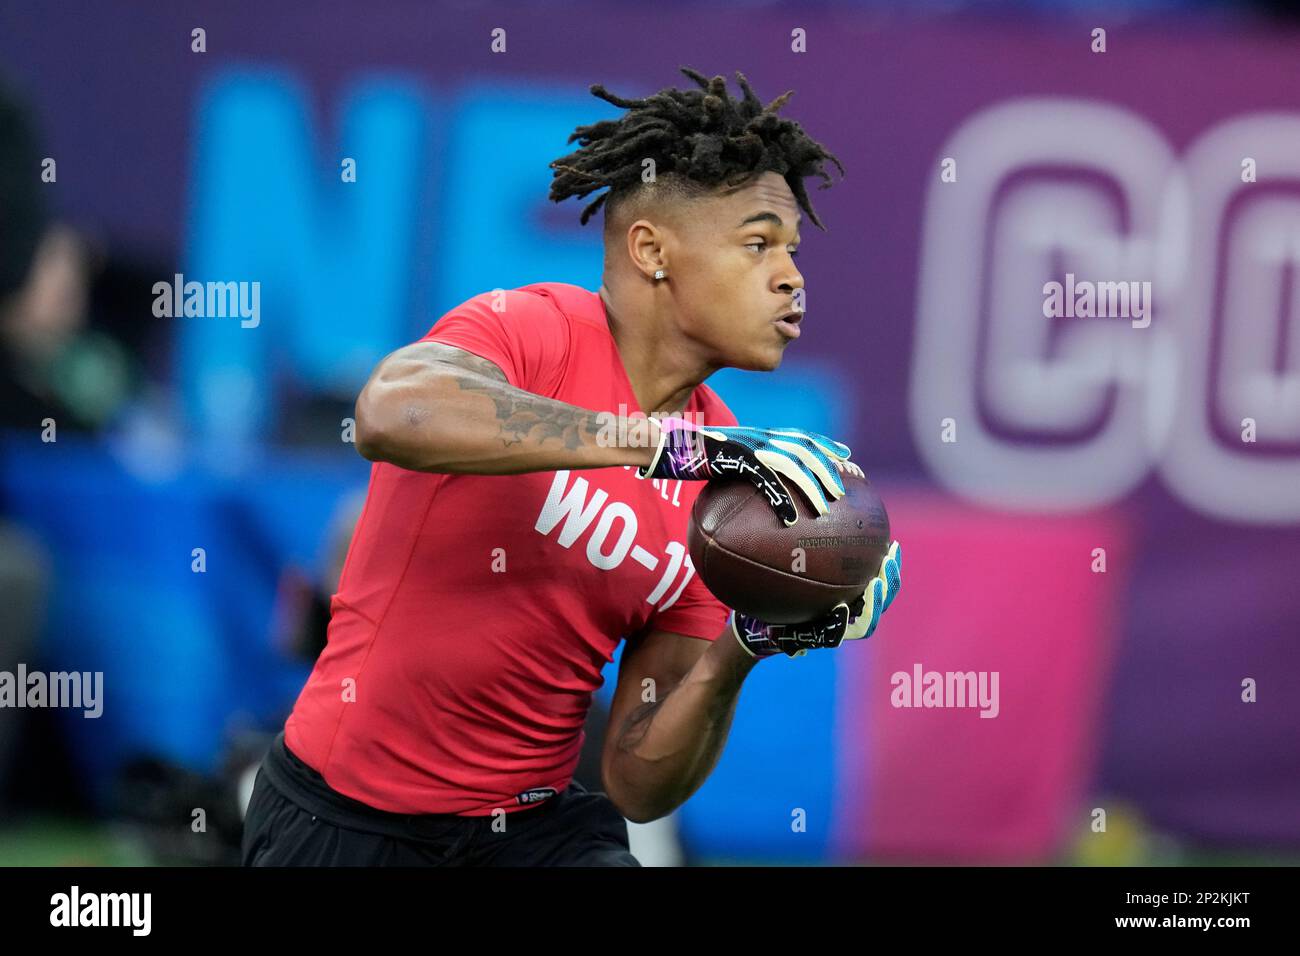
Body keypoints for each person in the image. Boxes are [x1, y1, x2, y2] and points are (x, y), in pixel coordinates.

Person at [242, 67, 902, 867]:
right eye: (758, 244)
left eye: (792, 250)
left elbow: (636, 780)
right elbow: (388, 414)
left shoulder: (726, 503)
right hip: (343, 819)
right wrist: (663, 446)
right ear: (652, 250)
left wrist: (752, 637)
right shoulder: (532, 331)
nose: (792, 277)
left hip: (528, 836)